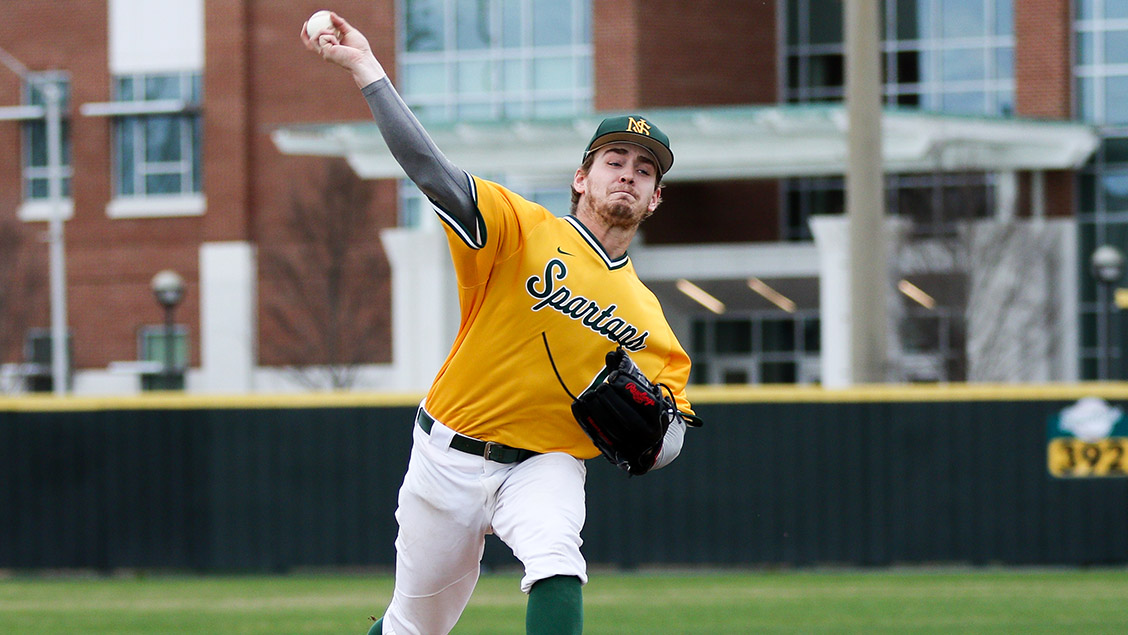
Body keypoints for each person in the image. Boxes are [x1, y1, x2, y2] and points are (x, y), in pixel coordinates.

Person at [302, 12, 702, 635]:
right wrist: (365, 68)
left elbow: (667, 440)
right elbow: (430, 170)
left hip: (546, 462)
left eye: (645, 169)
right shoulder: (520, 228)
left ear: (654, 198)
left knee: (556, 560)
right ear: (581, 179)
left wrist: (656, 436)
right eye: (614, 159)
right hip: (447, 453)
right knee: (415, 625)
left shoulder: (651, 318)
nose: (628, 172)